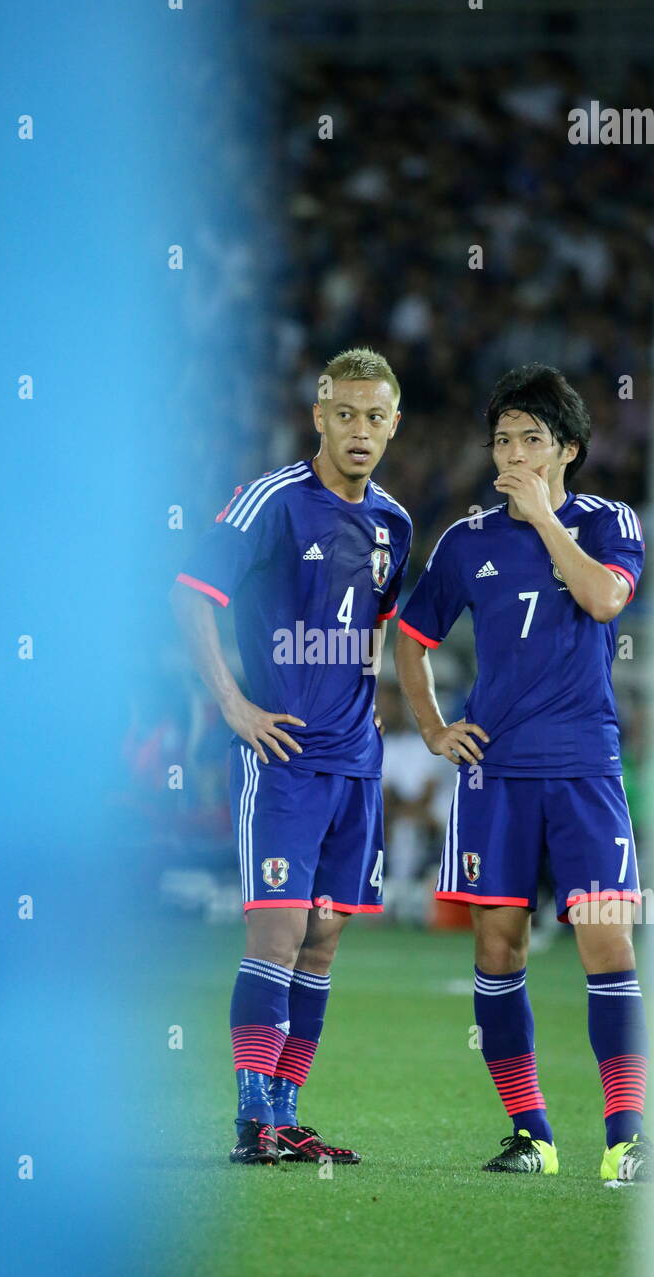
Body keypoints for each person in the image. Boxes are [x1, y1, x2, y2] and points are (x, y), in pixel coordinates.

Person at [396, 362, 654, 1182]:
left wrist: (545, 519)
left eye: (531, 440)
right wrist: (434, 728)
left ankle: (626, 1139)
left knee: (608, 945)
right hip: (495, 777)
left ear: (568, 449)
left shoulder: (610, 521)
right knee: (498, 949)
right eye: (502, 440)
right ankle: (531, 1136)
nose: (512, 453)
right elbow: (412, 635)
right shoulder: (466, 541)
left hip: (586, 770)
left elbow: (606, 601)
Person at [171, 347, 412, 1164]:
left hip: (356, 767)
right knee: (275, 935)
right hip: (282, 763)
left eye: (375, 417)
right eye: (344, 413)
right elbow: (190, 592)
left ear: (393, 426)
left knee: (321, 940)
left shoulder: (396, 523)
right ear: (318, 416)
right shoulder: (272, 500)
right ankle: (249, 1124)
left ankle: (285, 1113)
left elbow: (370, 627)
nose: (359, 430)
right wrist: (234, 705)